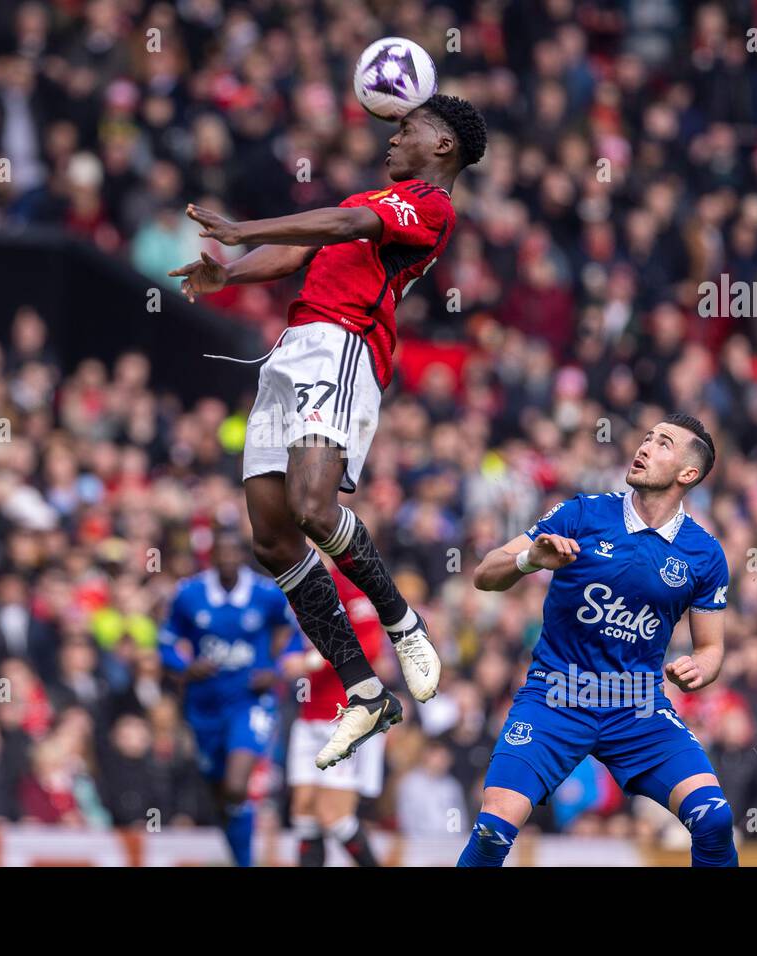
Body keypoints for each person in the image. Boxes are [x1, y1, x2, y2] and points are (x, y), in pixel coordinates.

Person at [168, 95, 489, 770]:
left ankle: (402, 623)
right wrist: (229, 270)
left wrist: (240, 227)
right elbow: (294, 258)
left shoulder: (430, 204)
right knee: (270, 537)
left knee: (314, 508)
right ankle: (366, 692)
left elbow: (340, 223)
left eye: (408, 129)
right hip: (292, 349)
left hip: (343, 346)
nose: (393, 138)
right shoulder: (369, 201)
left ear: (443, 148)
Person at [458, 415, 738, 867]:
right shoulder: (582, 514)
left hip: (638, 708)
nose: (645, 447)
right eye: (646, 438)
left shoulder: (704, 553)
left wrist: (702, 668)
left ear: (688, 474)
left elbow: (711, 648)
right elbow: (485, 574)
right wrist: (531, 559)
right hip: (555, 698)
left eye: (663, 444)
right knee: (493, 829)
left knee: (714, 819)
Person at [159, 529, 304, 866]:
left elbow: (295, 636)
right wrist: (185, 666)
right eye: (219, 552)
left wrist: (278, 669)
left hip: (250, 701)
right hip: (204, 706)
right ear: (211, 556)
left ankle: (247, 856)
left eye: (232, 552)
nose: (226, 558)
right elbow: (166, 641)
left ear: (243, 556)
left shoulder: (266, 594)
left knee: (237, 785)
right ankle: (242, 858)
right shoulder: (189, 594)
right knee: (220, 792)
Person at [283, 565, 388, 866]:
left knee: (333, 815)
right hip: (309, 714)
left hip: (345, 715)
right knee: (303, 812)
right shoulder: (296, 584)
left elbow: (369, 646)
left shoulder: (352, 586)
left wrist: (311, 662)